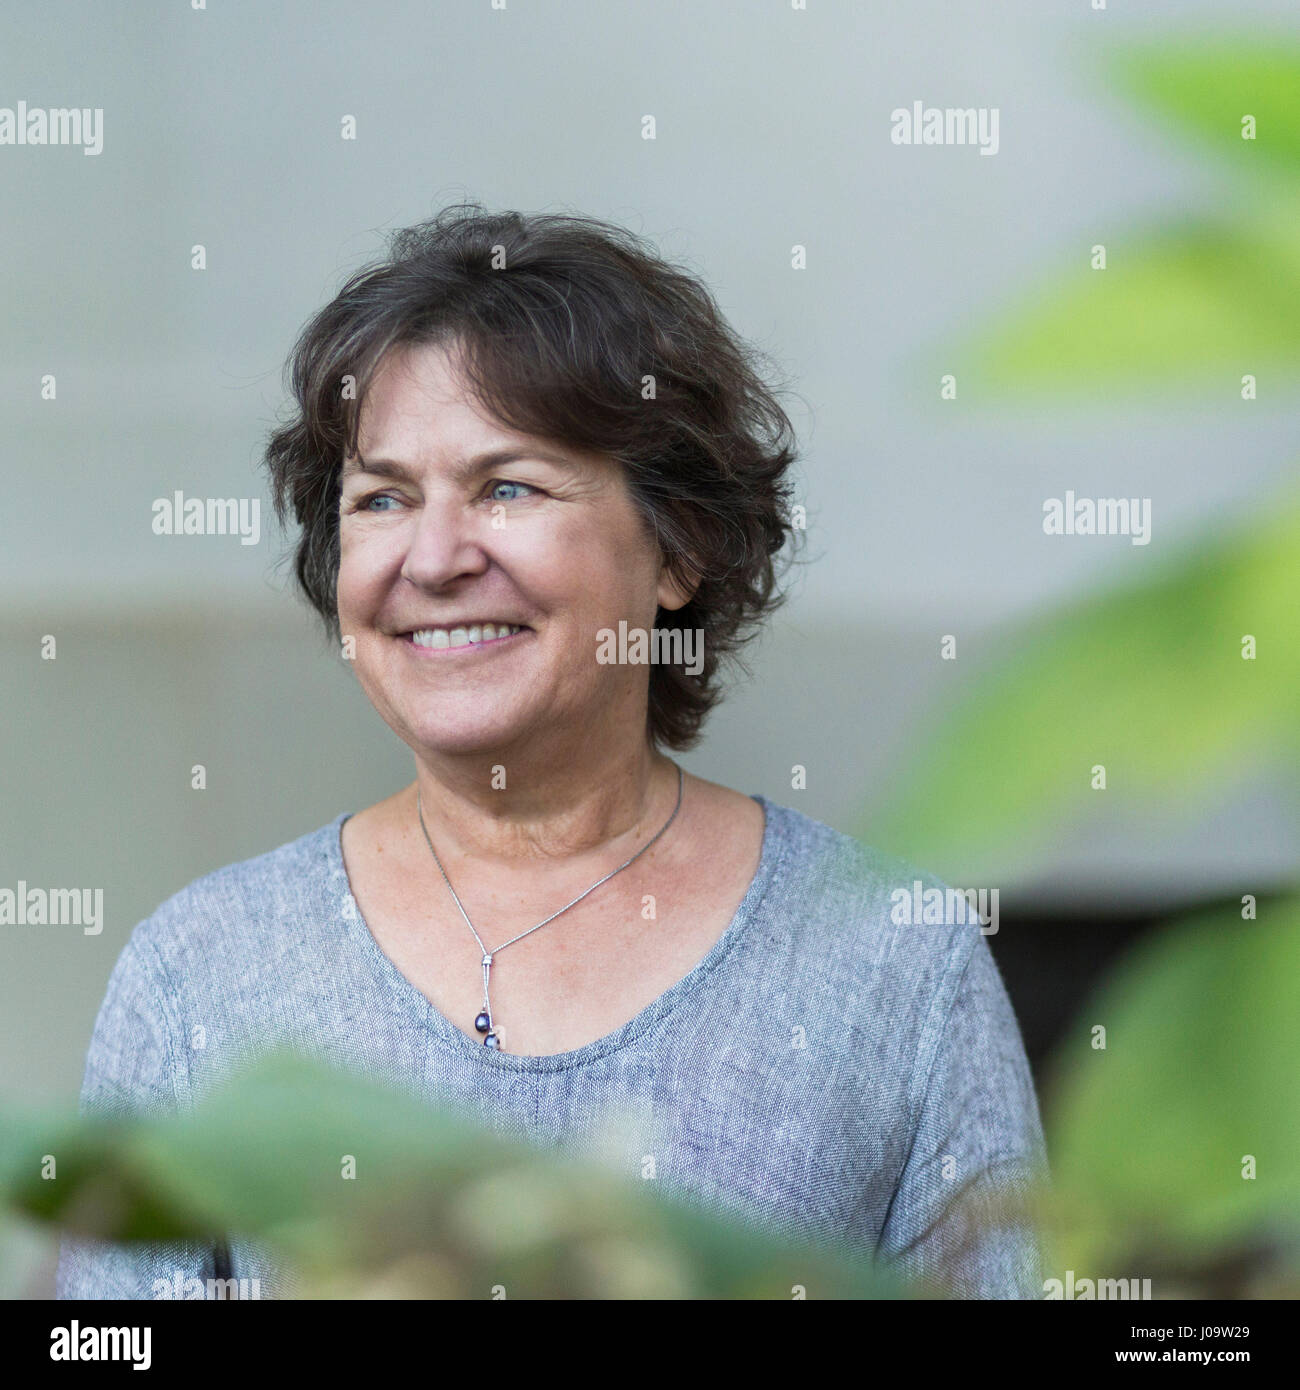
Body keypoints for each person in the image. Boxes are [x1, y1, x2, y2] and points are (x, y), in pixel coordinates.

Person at [57, 203, 1046, 1299]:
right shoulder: (201, 973)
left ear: (677, 549)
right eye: (383, 497)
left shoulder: (891, 967)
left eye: (508, 487)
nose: (433, 558)